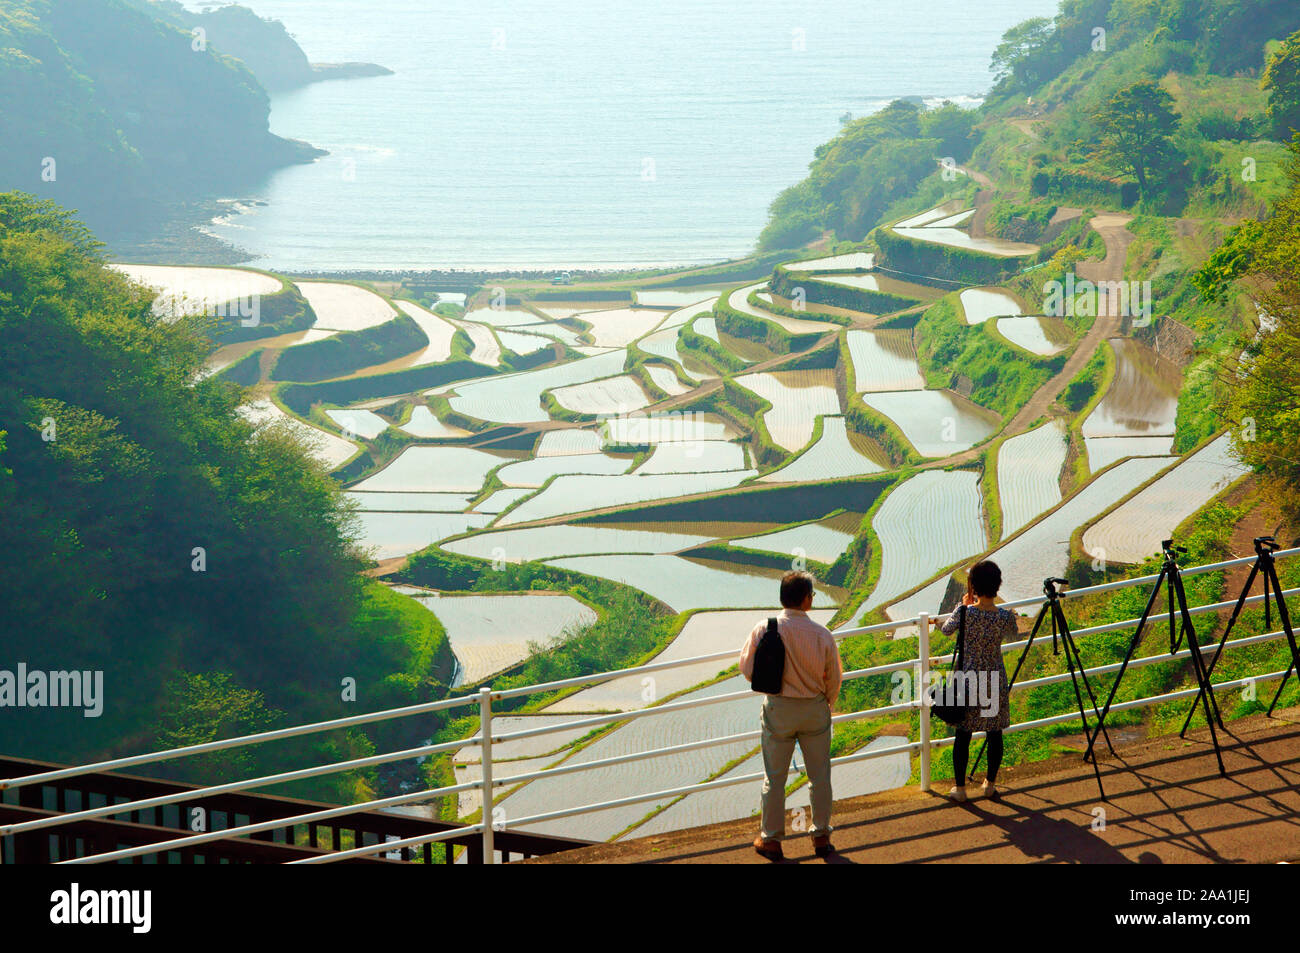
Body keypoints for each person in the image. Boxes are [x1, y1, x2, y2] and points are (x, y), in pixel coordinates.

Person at [739, 570, 843, 861]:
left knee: (774, 778)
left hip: (778, 709)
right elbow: (834, 678)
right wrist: (826, 703)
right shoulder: (822, 634)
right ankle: (821, 836)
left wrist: (775, 686)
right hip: (813, 709)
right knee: (819, 776)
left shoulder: (765, 628)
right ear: (807, 600)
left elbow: (747, 668)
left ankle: (771, 840)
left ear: (782, 597)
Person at [938, 559, 1014, 802]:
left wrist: (963, 604)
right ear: (997, 585)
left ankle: (960, 790)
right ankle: (990, 785)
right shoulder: (1004, 617)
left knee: (964, 734)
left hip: (969, 682)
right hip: (994, 679)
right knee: (994, 734)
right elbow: (1013, 632)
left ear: (973, 587)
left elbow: (946, 630)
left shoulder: (964, 613)